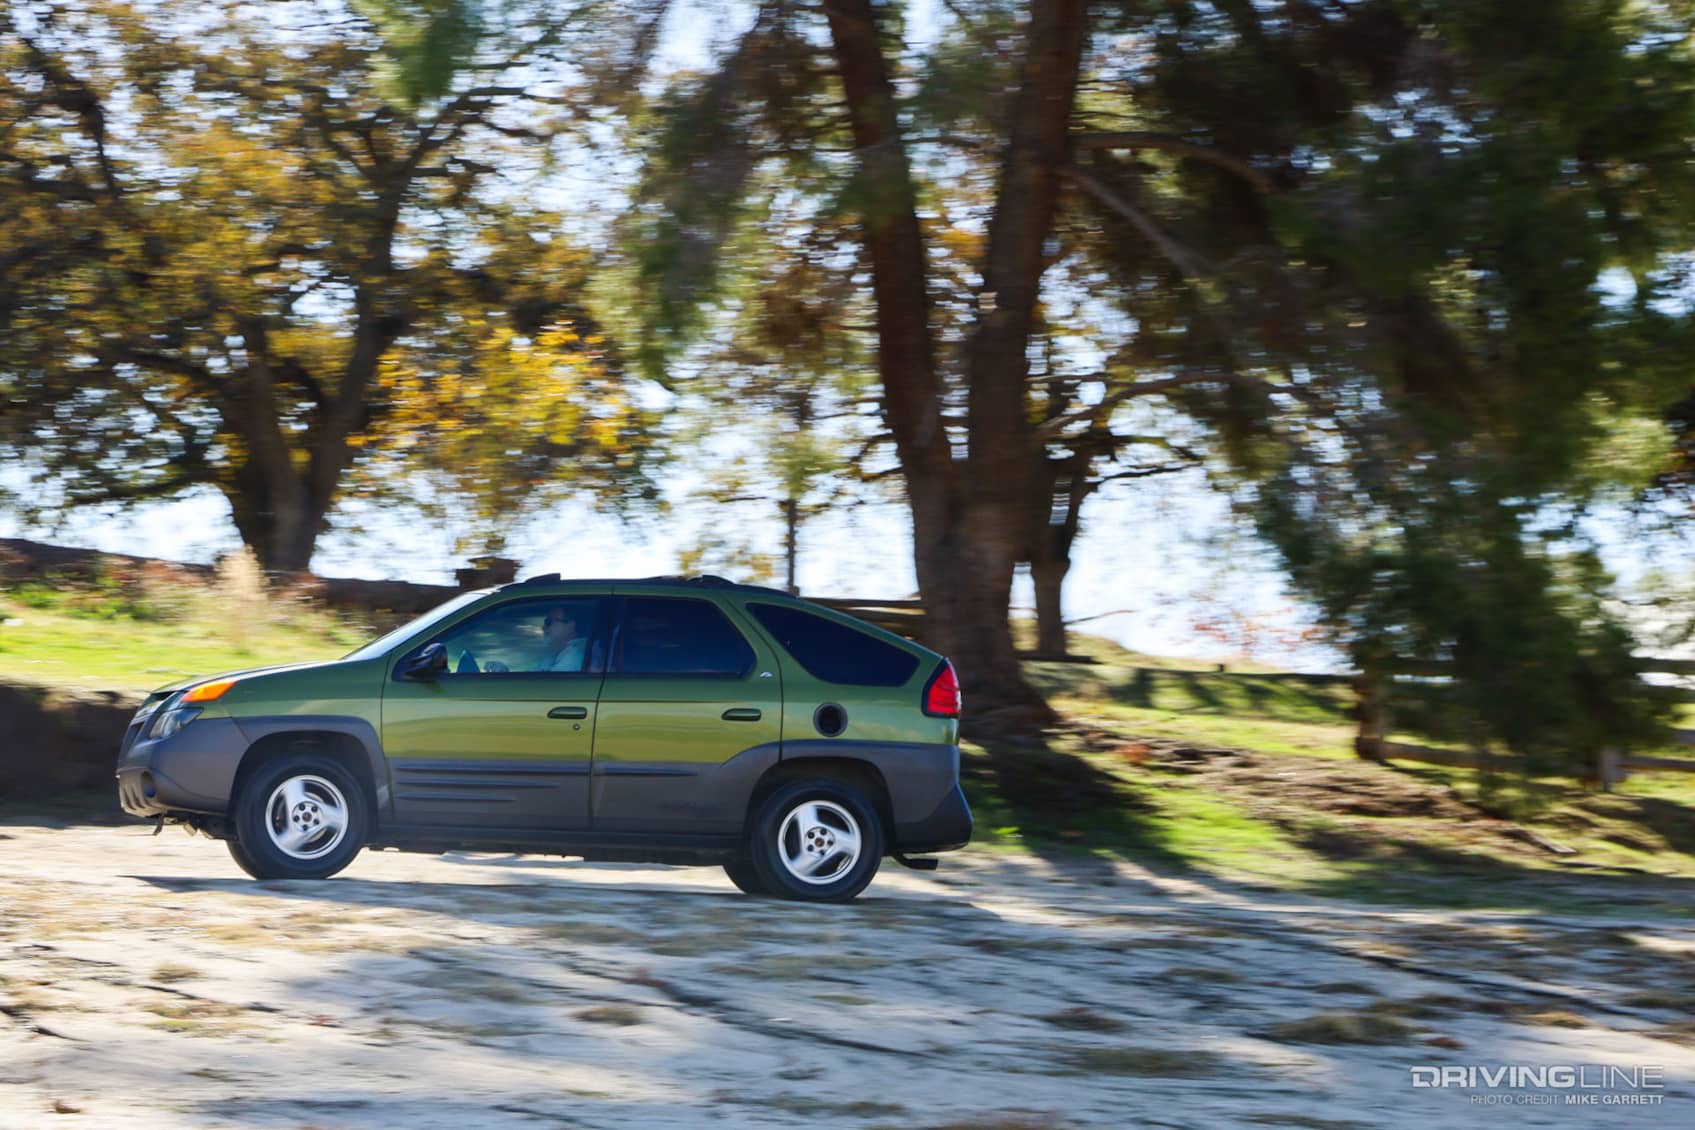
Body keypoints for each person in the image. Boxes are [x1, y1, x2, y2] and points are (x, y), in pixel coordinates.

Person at [532, 605, 587, 673]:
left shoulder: (575, 657)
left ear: (571, 626)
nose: (543, 627)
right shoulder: (554, 655)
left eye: (549, 622)